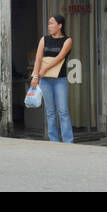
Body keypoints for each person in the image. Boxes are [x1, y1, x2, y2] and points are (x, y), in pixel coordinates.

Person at [31, 14, 74, 143]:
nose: (49, 26)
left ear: (60, 26)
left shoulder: (67, 40)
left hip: (60, 79)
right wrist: (35, 75)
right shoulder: (44, 39)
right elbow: (38, 58)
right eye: (49, 23)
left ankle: (68, 141)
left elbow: (60, 57)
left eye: (52, 23)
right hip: (45, 80)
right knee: (50, 112)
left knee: (63, 111)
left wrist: (44, 69)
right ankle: (54, 140)